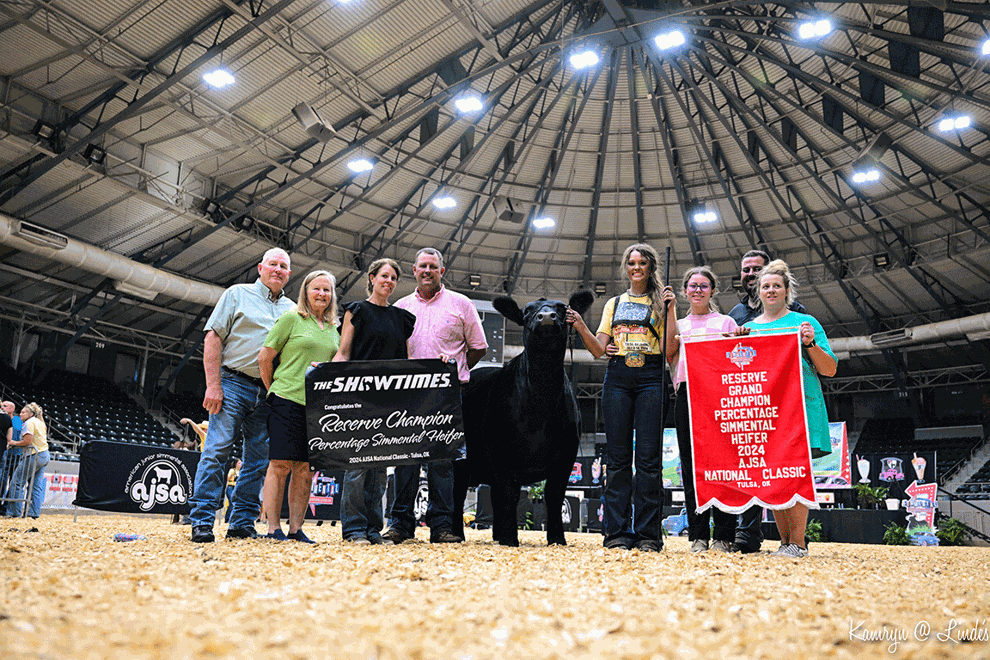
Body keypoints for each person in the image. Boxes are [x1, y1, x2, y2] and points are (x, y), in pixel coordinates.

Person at [570, 243, 677, 552]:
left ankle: (648, 535)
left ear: (651, 267)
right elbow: (598, 349)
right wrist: (580, 324)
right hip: (617, 377)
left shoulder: (662, 302)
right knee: (617, 460)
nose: (636, 268)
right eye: (631, 263)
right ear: (626, 267)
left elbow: (669, 351)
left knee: (648, 461)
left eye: (642, 263)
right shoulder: (614, 304)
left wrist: (671, 310)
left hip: (651, 376)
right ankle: (616, 532)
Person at [188, 247, 295, 543]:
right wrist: (213, 385)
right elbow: (213, 337)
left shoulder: (293, 310)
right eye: (272, 264)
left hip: (270, 390)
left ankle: (241, 523)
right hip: (233, 383)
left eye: (283, 266)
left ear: (289, 274)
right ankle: (202, 521)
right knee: (217, 450)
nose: (277, 270)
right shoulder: (237, 294)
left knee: (258, 461)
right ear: (260, 268)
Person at [384, 248, 488, 545]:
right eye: (423, 266)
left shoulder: (461, 303)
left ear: (442, 271)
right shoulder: (401, 306)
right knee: (406, 461)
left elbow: (478, 347)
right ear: (414, 270)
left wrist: (455, 369)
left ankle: (441, 526)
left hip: (447, 394)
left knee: (442, 462)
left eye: (433, 266)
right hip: (409, 393)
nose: (427, 271)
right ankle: (400, 525)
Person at [745, 259, 836, 558]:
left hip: (800, 409)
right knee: (773, 475)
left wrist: (810, 344)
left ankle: (798, 542)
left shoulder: (805, 323)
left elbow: (829, 369)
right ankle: (785, 542)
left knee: (795, 473)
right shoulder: (747, 329)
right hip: (764, 412)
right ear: (758, 292)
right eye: (765, 286)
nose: (771, 290)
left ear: (787, 291)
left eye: (776, 286)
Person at [728, 249, 807, 554]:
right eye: (746, 269)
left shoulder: (795, 311)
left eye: (757, 270)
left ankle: (796, 538)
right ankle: (748, 532)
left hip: (785, 403)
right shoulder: (735, 314)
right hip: (749, 403)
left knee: (785, 471)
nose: (751, 274)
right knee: (753, 469)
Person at [333, 258, 415, 545]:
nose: (388, 282)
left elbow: (408, 360)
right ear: (371, 278)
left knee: (380, 469)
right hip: (358, 396)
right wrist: (325, 375)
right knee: (357, 465)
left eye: (393, 278)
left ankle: (372, 528)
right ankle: (353, 529)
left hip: (390, 401)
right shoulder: (356, 311)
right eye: (384, 276)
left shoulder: (402, 318)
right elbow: (344, 352)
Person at [258, 269, 341, 544]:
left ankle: (296, 528)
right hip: (286, 399)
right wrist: (273, 390)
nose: (321, 294)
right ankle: (273, 528)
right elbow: (264, 357)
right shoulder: (291, 318)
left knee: (306, 469)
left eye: (327, 290)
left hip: (317, 406)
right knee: (280, 464)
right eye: (316, 288)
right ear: (305, 291)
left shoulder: (334, 329)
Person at [668, 266, 741, 553]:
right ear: (685, 291)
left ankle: (724, 535)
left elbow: (737, 358)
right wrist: (669, 310)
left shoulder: (726, 322)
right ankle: (698, 535)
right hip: (687, 394)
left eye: (704, 285)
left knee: (725, 465)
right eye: (693, 285)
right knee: (690, 467)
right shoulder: (678, 326)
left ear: (712, 290)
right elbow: (668, 354)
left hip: (720, 394)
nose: (698, 290)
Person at [5, 403, 50, 518]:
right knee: (36, 485)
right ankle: (33, 513)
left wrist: (14, 443)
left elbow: (27, 441)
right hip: (44, 454)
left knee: (17, 482)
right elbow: (44, 429)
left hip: (34, 455)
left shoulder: (29, 423)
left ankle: (14, 512)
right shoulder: (39, 422)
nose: (20, 414)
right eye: (20, 412)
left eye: (23, 412)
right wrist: (40, 415)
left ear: (31, 414)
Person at [1, 401, 23, 502]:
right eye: (2, 406)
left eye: (5, 406)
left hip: (16, 454)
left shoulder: (19, 420)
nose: (2, 407)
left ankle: (7, 504)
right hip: (4, 452)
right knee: (2, 478)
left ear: (12, 409)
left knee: (13, 479)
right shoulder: (2, 418)